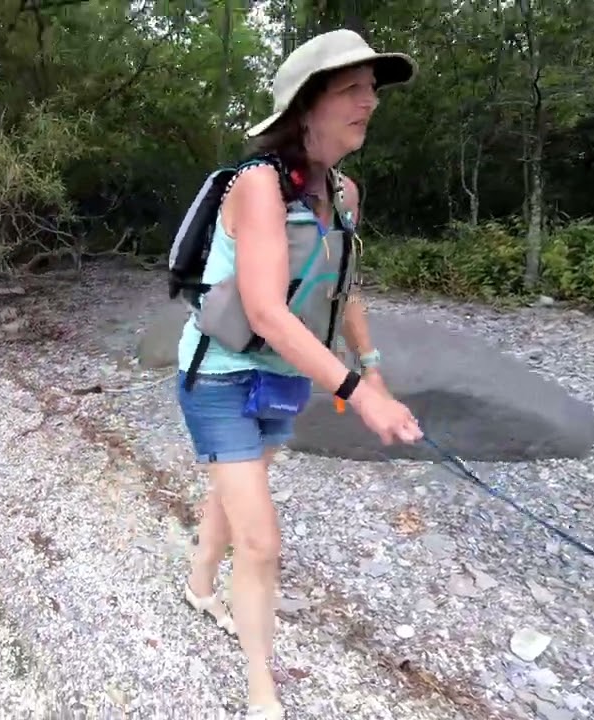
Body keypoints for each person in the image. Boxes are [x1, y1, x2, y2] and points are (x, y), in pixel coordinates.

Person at [174, 28, 424, 720]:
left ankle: (198, 584)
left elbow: (344, 291)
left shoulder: (345, 191)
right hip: (220, 373)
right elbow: (267, 311)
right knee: (261, 539)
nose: (369, 101)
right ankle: (261, 690)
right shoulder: (256, 186)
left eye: (372, 89)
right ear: (306, 107)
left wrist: (374, 368)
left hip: (283, 377)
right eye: (352, 88)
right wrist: (356, 394)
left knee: (236, 481)